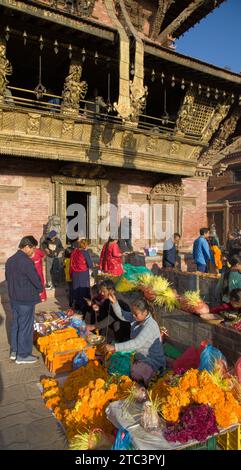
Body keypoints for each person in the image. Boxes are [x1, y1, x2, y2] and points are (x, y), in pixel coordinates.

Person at [105, 291, 166, 386]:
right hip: (140, 357)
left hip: (152, 361)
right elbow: (123, 315)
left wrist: (114, 347)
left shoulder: (150, 325)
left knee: (135, 371)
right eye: (133, 313)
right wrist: (114, 303)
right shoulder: (137, 317)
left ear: (145, 312)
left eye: (136, 314)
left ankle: (154, 375)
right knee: (117, 360)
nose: (133, 315)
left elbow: (136, 343)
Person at [5, 236, 43, 364]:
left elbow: (8, 279)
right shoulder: (26, 262)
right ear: (26, 246)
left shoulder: (10, 260)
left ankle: (15, 351)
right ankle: (23, 355)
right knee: (25, 327)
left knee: (16, 324)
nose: (33, 251)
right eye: (32, 248)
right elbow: (35, 279)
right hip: (25, 299)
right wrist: (39, 289)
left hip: (14, 297)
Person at [70, 238, 93, 313]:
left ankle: (76, 305)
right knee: (83, 290)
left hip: (75, 273)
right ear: (85, 245)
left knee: (76, 289)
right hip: (83, 273)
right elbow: (90, 264)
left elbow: (71, 262)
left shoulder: (74, 251)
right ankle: (84, 307)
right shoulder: (85, 252)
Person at [28, 236, 47, 302]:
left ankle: (41, 297)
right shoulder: (33, 251)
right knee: (37, 282)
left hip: (36, 270)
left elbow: (43, 256)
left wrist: (39, 261)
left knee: (38, 282)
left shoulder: (35, 251)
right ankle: (39, 297)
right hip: (34, 270)